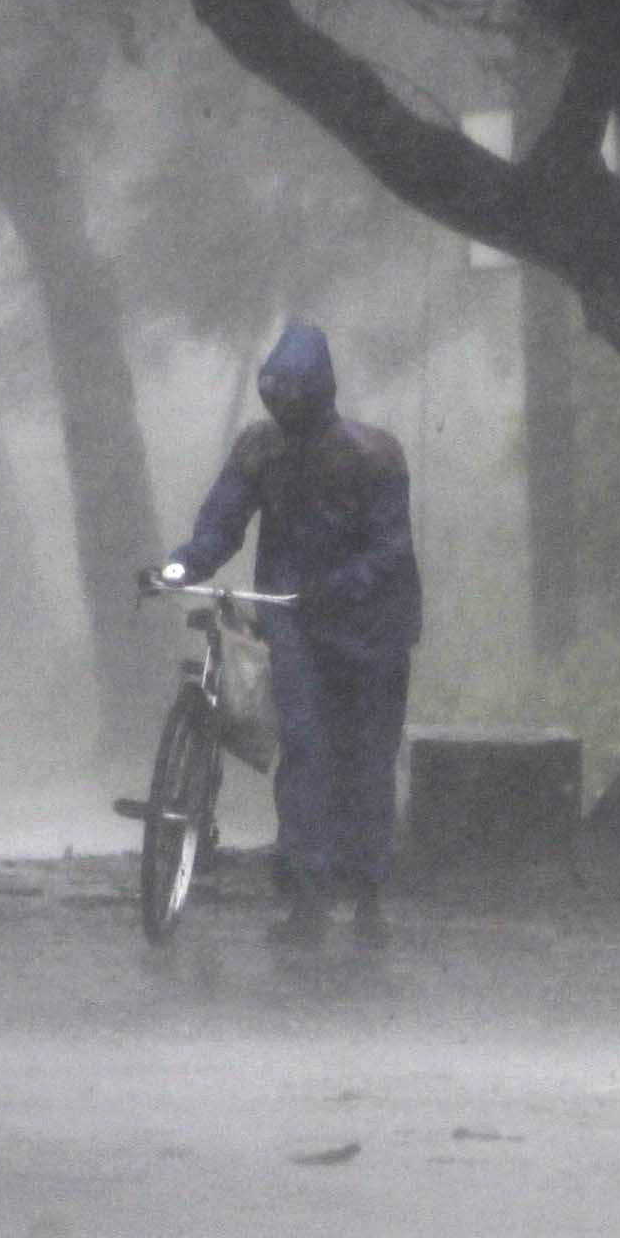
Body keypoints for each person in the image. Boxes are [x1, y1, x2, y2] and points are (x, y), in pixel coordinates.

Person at [153, 321, 420, 950]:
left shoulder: (374, 455)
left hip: (375, 627)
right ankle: (306, 893)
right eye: (274, 394)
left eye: (294, 394)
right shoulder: (258, 451)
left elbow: (391, 547)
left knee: (368, 757)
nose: (284, 407)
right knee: (303, 747)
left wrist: (342, 584)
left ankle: (368, 892)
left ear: (319, 391)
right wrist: (182, 566)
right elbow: (222, 525)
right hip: (294, 617)